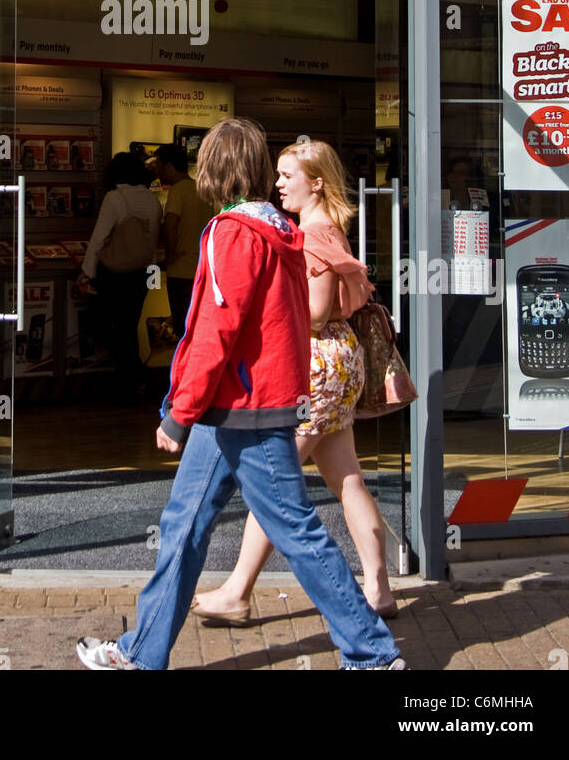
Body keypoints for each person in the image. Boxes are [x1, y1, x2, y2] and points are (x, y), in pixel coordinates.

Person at [76, 118, 403, 671]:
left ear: (215, 168)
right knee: (186, 524)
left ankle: (373, 654)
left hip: (244, 409)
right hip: (247, 404)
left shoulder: (232, 233)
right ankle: (141, 651)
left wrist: (178, 412)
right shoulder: (278, 229)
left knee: (291, 531)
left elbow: (212, 331)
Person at [191, 138, 397, 623]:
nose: (277, 184)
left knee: (274, 484)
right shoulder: (328, 229)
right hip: (337, 365)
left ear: (317, 183)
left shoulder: (314, 232)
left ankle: (237, 592)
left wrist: (271, 310)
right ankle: (379, 589)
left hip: (316, 366)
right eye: (278, 175)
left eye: (288, 176)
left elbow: (318, 310)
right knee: (346, 479)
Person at [73, 151, 161, 401]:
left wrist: (86, 273)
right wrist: (152, 277)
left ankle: (133, 377)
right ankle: (135, 378)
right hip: (141, 274)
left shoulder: (115, 197)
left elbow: (98, 239)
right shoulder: (152, 200)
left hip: (114, 274)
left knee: (103, 324)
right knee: (127, 326)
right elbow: (152, 243)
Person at [152, 143, 214, 333]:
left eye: (159, 165)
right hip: (201, 268)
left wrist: (169, 255)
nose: (157, 171)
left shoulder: (178, 190)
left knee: (182, 327)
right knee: (197, 327)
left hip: (180, 269)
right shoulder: (202, 190)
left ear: (169, 166)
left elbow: (171, 223)